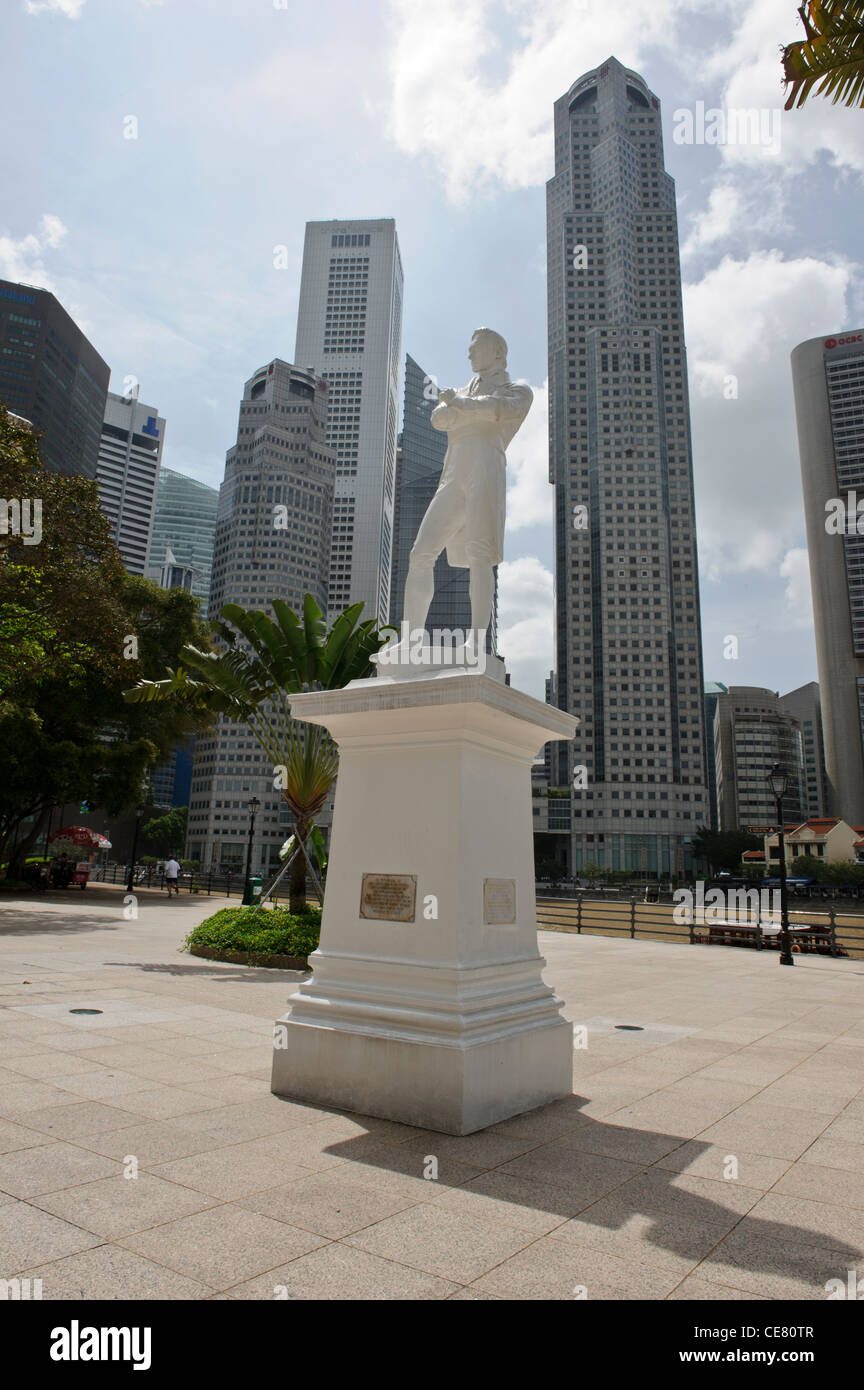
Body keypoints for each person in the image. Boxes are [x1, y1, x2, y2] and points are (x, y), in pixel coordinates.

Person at [398, 327, 532, 656]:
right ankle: (410, 639)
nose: (469, 354)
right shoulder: (463, 391)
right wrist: (460, 405)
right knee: (420, 553)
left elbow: (502, 409)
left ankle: (476, 638)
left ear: (498, 352)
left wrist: (462, 405)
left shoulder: (517, 389)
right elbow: (439, 418)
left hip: (485, 469)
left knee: (480, 555)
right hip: (453, 472)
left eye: (476, 348)